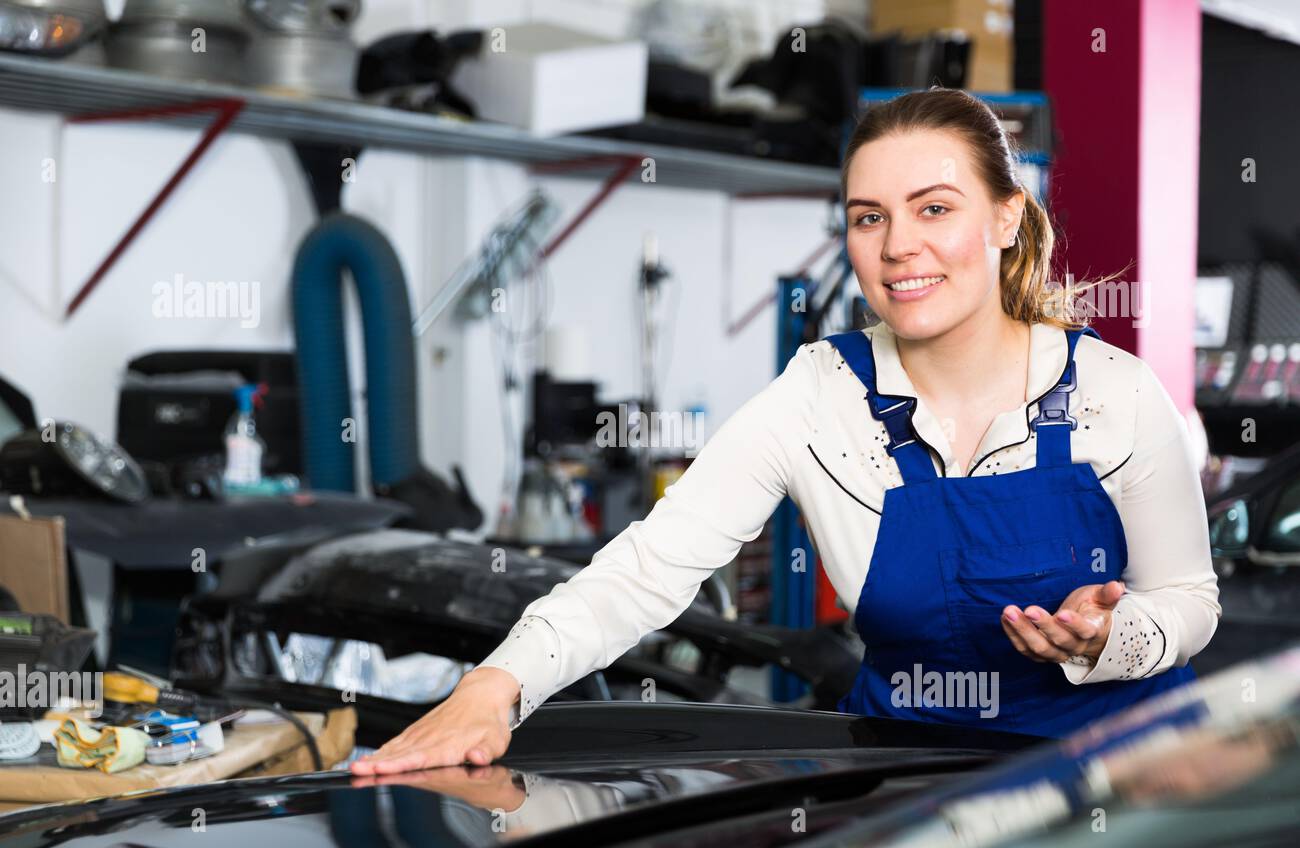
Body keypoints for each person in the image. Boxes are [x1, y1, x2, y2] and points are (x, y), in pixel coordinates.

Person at [351, 88, 1220, 776]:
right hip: (913, 786)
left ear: (1005, 220)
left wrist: (1114, 640)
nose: (897, 247)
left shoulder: (1113, 392)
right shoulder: (818, 395)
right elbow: (652, 569)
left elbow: (1190, 602)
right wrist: (496, 687)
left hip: (1120, 782)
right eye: (868, 216)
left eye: (934, 209)